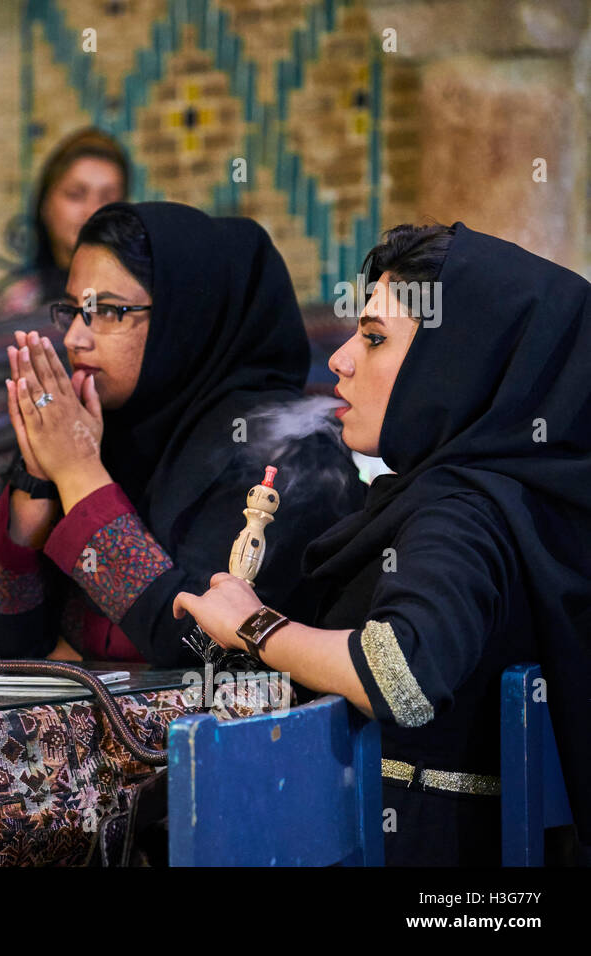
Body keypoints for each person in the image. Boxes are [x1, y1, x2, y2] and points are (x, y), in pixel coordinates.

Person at [172, 223, 591, 865]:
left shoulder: (461, 511)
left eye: (373, 339)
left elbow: (403, 679)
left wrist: (253, 625)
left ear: (455, 363)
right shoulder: (527, 497)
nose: (340, 359)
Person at [0, 201, 363, 663]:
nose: (74, 339)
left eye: (109, 311)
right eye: (73, 309)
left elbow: (199, 646)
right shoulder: (96, 429)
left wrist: (78, 472)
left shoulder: (293, 453)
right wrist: (37, 479)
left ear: (186, 317)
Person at [0, 128, 129, 323]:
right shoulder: (23, 300)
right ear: (45, 204)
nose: (92, 211)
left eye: (108, 198)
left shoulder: (135, 298)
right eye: (75, 195)